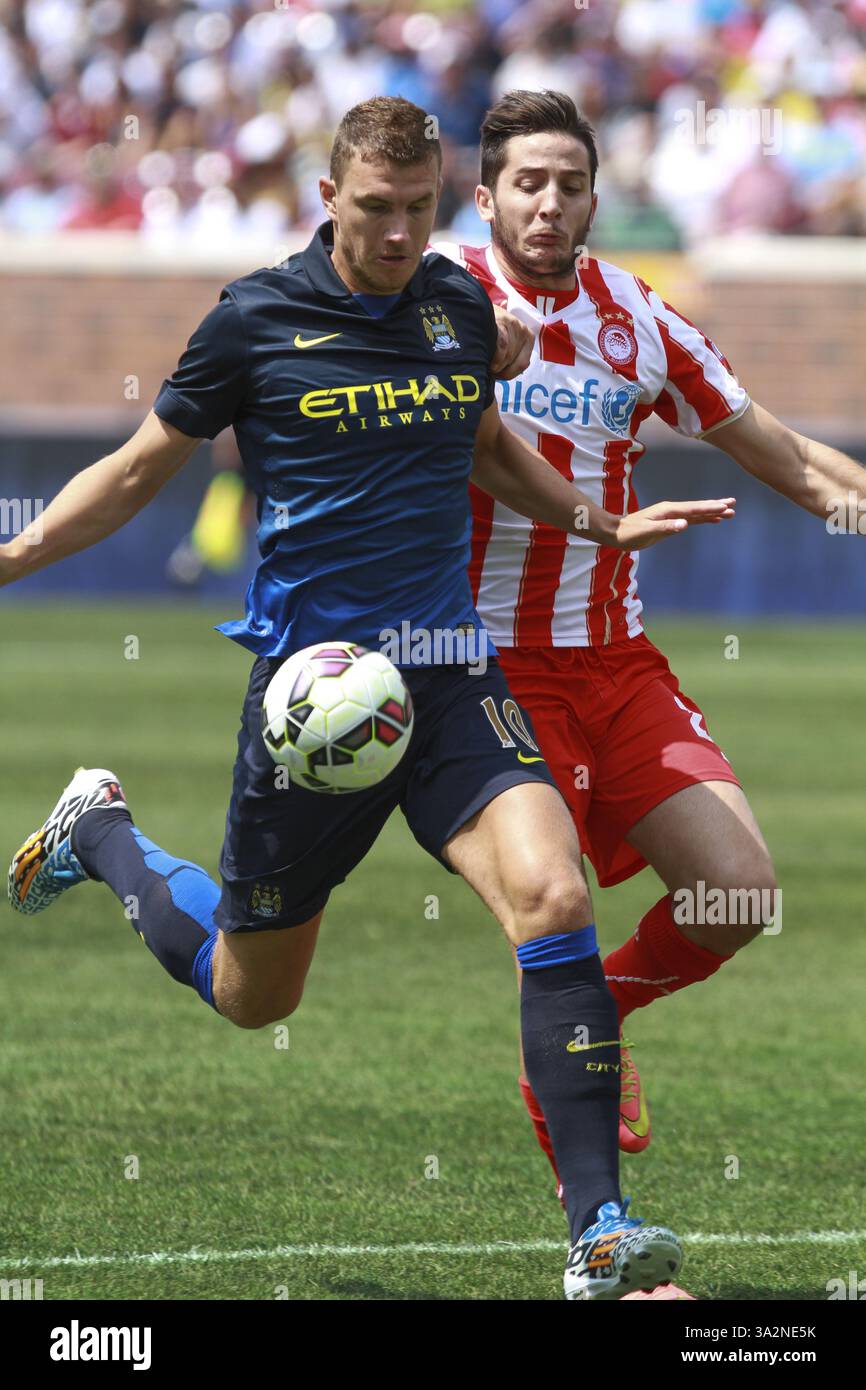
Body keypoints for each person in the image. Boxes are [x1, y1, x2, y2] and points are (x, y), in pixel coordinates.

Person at [2, 97, 733, 1300]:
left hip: (448, 675)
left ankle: (599, 1233)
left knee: (550, 894)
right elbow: (139, 469)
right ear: (329, 200)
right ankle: (106, 834)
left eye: (418, 210)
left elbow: (485, 444)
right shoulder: (251, 321)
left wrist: (596, 519)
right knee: (250, 992)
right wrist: (14, 557)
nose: (400, 235)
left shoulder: (454, 305)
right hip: (311, 706)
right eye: (377, 211)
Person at [432, 89, 866, 1196]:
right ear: (485, 196)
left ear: (592, 202)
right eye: (526, 183)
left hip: (616, 664)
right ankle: (601, 1229)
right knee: (554, 912)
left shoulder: (639, 317)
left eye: (568, 186)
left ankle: (604, 1016)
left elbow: (785, 456)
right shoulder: (429, 302)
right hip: (483, 666)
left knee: (738, 895)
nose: (547, 204)